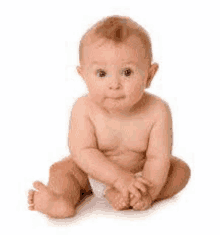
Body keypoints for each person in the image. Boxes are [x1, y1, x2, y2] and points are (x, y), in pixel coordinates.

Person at [28, 15, 191, 219]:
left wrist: (148, 190)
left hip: (141, 175)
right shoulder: (84, 108)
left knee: (180, 171)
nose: (114, 84)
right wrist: (119, 179)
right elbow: (83, 152)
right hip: (92, 174)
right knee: (62, 170)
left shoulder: (157, 110)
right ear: (84, 75)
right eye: (102, 74)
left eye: (127, 72)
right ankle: (61, 200)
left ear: (149, 75)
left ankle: (137, 198)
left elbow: (157, 158)